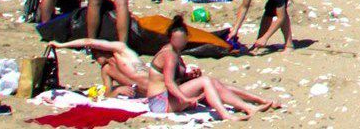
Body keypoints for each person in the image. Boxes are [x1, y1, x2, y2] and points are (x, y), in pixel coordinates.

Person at [55, 37, 282, 119]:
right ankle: (248, 107)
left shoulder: (121, 50)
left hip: (169, 84)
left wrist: (62, 45)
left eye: (95, 57)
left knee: (216, 84)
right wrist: (117, 92)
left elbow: (90, 41)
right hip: (160, 94)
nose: (96, 61)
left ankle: (258, 101)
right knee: (210, 84)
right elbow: (107, 92)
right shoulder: (107, 70)